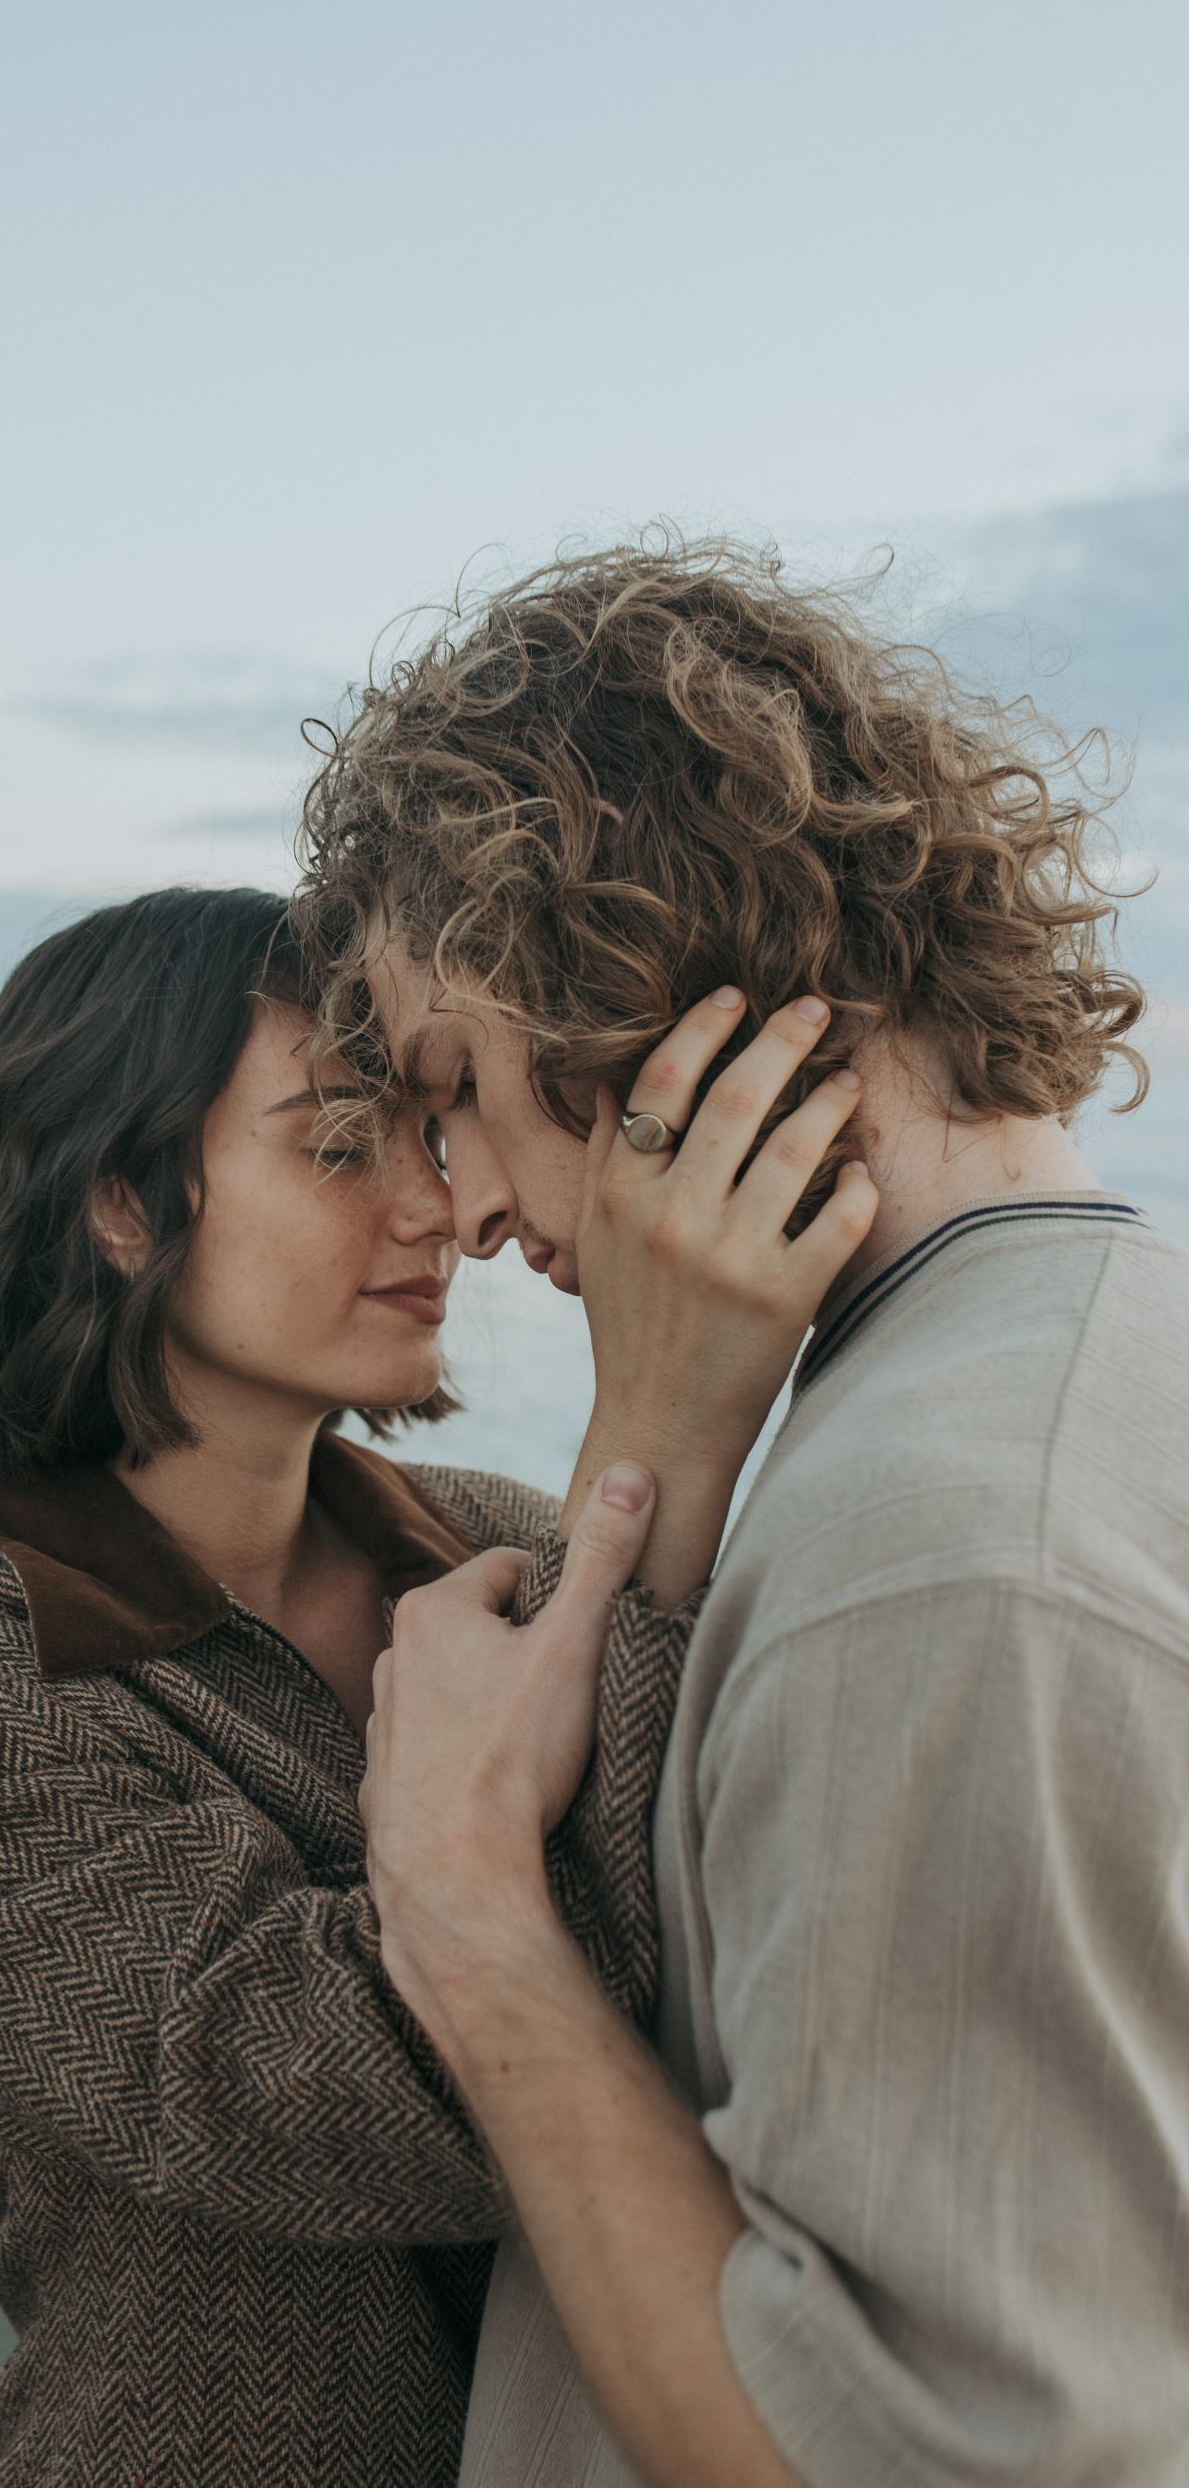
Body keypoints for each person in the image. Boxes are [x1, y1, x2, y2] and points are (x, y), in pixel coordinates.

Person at [0, 884, 864, 2488]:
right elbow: (348, 2108)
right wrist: (660, 1429)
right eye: (342, 1147)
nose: (438, 1210)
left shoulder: (504, 1545)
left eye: (434, 1135)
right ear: (118, 1204)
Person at [293, 537, 1189, 2487]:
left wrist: (462, 1911)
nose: (456, 1204)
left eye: (453, 1089)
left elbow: (893, 2456)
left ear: (631, 965)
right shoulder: (1082, 1353)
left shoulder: (941, 1545)